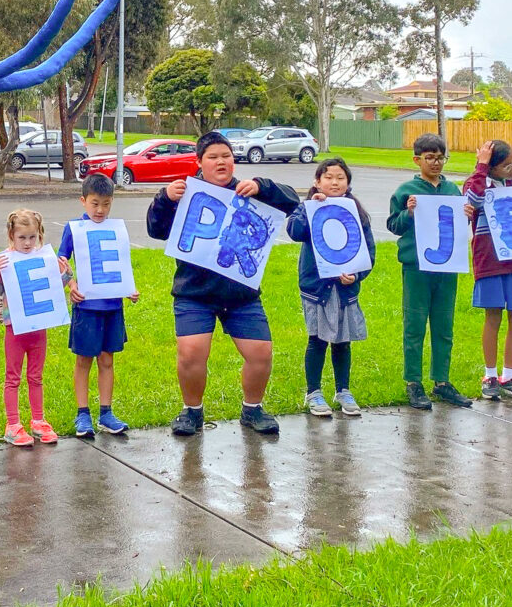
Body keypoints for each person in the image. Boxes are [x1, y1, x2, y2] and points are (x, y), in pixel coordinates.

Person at [145, 131, 300, 437]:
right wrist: (164, 199)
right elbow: (155, 230)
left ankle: (252, 409)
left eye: (226, 156)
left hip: (241, 295)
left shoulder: (249, 190)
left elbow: (293, 201)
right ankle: (192, 411)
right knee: (191, 352)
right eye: (213, 157)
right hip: (195, 293)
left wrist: (262, 186)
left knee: (261, 353)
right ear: (199, 162)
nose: (221, 162)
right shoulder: (187, 193)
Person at [387, 134, 473, 411]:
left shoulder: (452, 190)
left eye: (440, 157)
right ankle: (413, 381)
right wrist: (408, 213)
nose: (436, 163)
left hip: (447, 267)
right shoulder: (406, 191)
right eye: (430, 157)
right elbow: (393, 225)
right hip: (417, 268)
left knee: (444, 325)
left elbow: (459, 223)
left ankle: (442, 380)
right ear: (417, 159)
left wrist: (468, 214)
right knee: (415, 325)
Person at [287, 157, 375, 418]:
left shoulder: (356, 212)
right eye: (328, 177)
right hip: (317, 289)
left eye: (340, 177)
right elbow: (294, 231)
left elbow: (368, 252)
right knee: (317, 340)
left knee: (343, 341)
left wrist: (356, 276)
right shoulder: (309, 208)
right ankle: (313, 392)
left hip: (345, 290)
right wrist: (308, 208)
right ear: (317, 182)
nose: (334, 182)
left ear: (348, 183)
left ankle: (343, 390)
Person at [59, 173, 139, 438]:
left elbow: (119, 264)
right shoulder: (74, 229)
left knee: (107, 360)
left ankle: (106, 413)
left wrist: (130, 289)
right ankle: (83, 414)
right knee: (84, 361)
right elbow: (62, 263)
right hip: (87, 308)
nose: (100, 210)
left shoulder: (116, 229)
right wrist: (71, 286)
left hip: (112, 306)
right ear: (83, 201)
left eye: (106, 204)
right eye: (94, 203)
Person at [463, 140, 512, 403]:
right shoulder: (478, 183)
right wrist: (481, 166)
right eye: (506, 165)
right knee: (493, 315)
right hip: (490, 260)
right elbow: (471, 201)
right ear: (491, 167)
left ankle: (509, 376)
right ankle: (490, 375)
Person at [0, 209, 61, 447]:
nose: (27, 243)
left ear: (39, 235)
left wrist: (63, 272)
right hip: (15, 329)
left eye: (32, 237)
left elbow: (56, 287)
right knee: (13, 377)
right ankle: (13, 424)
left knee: (36, 376)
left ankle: (38, 420)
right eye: (22, 238)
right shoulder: (5, 259)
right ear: (11, 236)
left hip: (39, 328)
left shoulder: (43, 258)